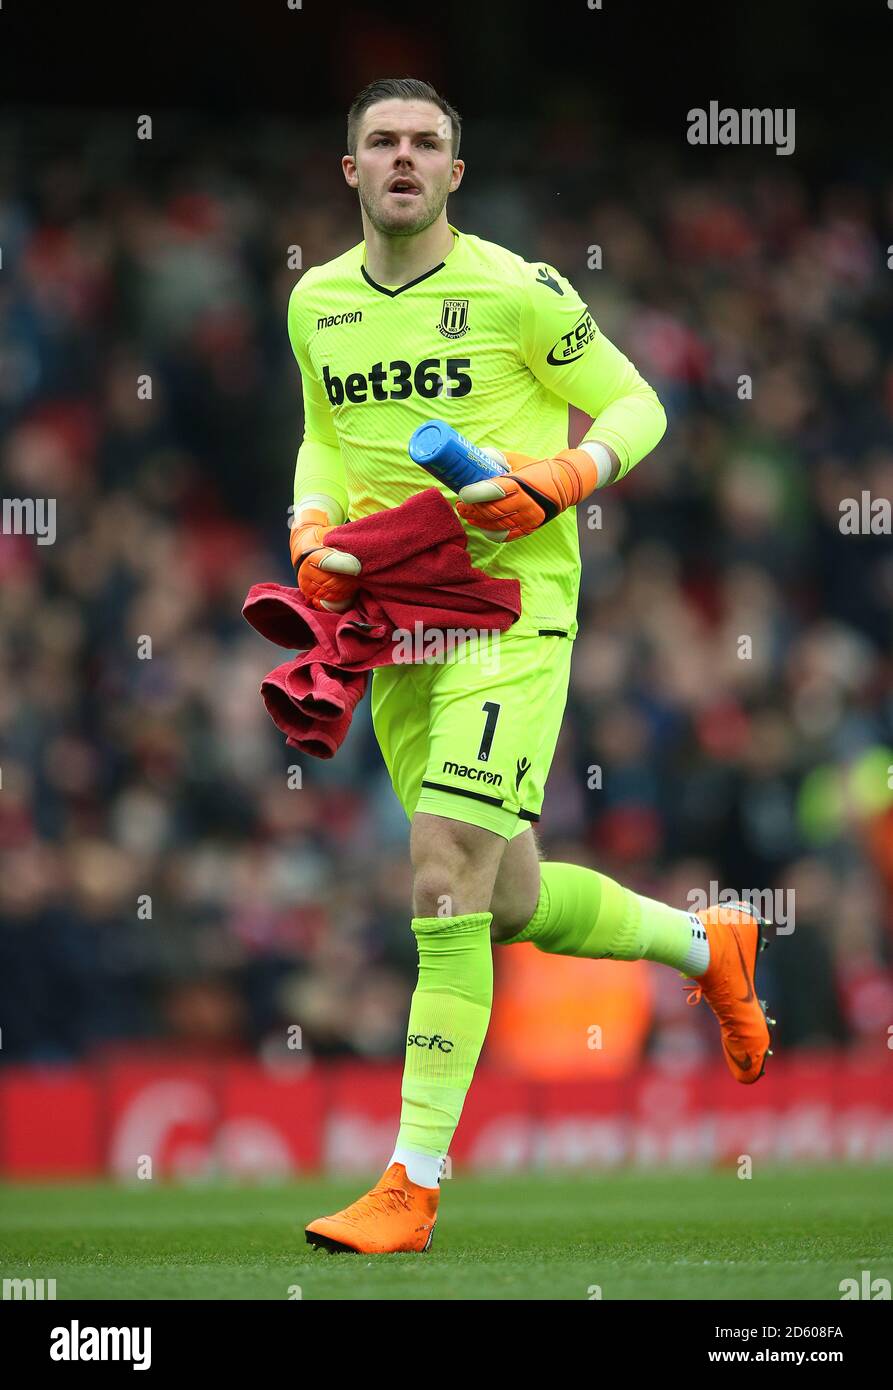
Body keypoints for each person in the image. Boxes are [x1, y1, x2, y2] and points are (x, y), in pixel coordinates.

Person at [288, 78, 773, 1254]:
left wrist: (564, 476)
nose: (403, 158)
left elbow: (635, 404)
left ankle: (410, 1181)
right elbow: (319, 434)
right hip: (394, 623)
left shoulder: (516, 290)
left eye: (426, 144)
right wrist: (309, 526)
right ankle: (704, 945)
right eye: (382, 143)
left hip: (507, 613)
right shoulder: (314, 303)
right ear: (349, 169)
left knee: (440, 872)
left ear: (455, 172)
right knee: (503, 899)